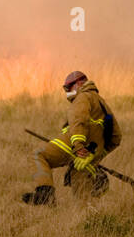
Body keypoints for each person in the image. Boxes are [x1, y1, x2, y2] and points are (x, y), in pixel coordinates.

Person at [23, 70, 121, 205]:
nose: (67, 92)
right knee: (82, 198)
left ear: (79, 83)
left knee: (38, 155)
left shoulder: (83, 97)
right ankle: (88, 220)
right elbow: (116, 137)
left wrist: (79, 145)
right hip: (89, 157)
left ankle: (45, 195)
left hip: (74, 145)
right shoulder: (103, 104)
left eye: (69, 87)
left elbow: (79, 121)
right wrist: (97, 154)